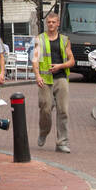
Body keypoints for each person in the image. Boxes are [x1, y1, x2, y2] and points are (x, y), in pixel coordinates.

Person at [31, 12, 75, 152]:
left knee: (63, 111)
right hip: (45, 79)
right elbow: (35, 58)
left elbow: (71, 61)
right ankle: (43, 133)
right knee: (45, 109)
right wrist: (37, 75)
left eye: (53, 22)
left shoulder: (64, 40)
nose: (50, 24)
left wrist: (60, 66)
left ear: (58, 24)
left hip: (61, 78)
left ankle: (62, 142)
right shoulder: (40, 39)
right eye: (48, 22)